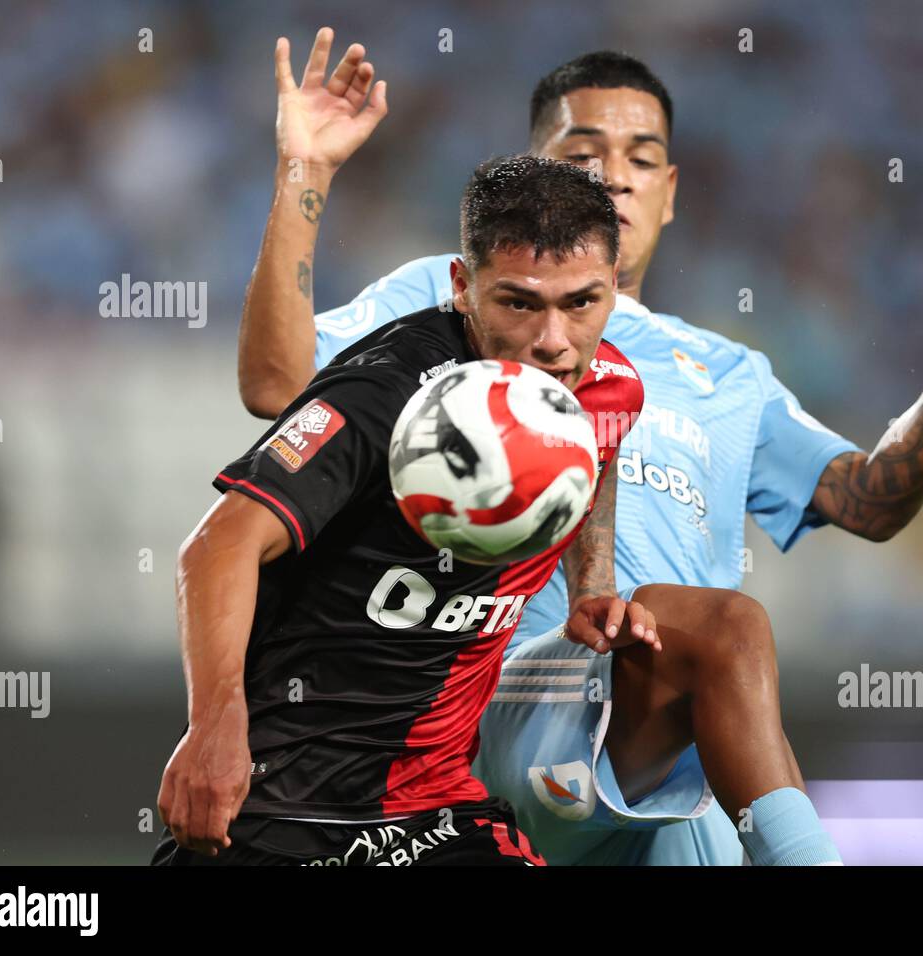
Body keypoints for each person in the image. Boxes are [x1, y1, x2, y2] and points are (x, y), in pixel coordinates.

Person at [237, 33, 923, 866]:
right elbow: (280, 385)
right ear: (538, 173)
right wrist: (304, 172)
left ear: (669, 192)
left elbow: (875, 500)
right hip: (490, 707)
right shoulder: (454, 294)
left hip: (652, 735)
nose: (612, 173)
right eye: (581, 150)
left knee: (696, 795)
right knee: (715, 674)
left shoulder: (729, 374)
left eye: (641, 155)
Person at [152, 155, 650, 866]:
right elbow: (218, 546)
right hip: (277, 812)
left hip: (438, 815)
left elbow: (597, 455)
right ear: (462, 288)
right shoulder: (386, 394)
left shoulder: (608, 389)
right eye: (517, 303)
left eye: (580, 303)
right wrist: (213, 727)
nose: (553, 341)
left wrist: (593, 583)